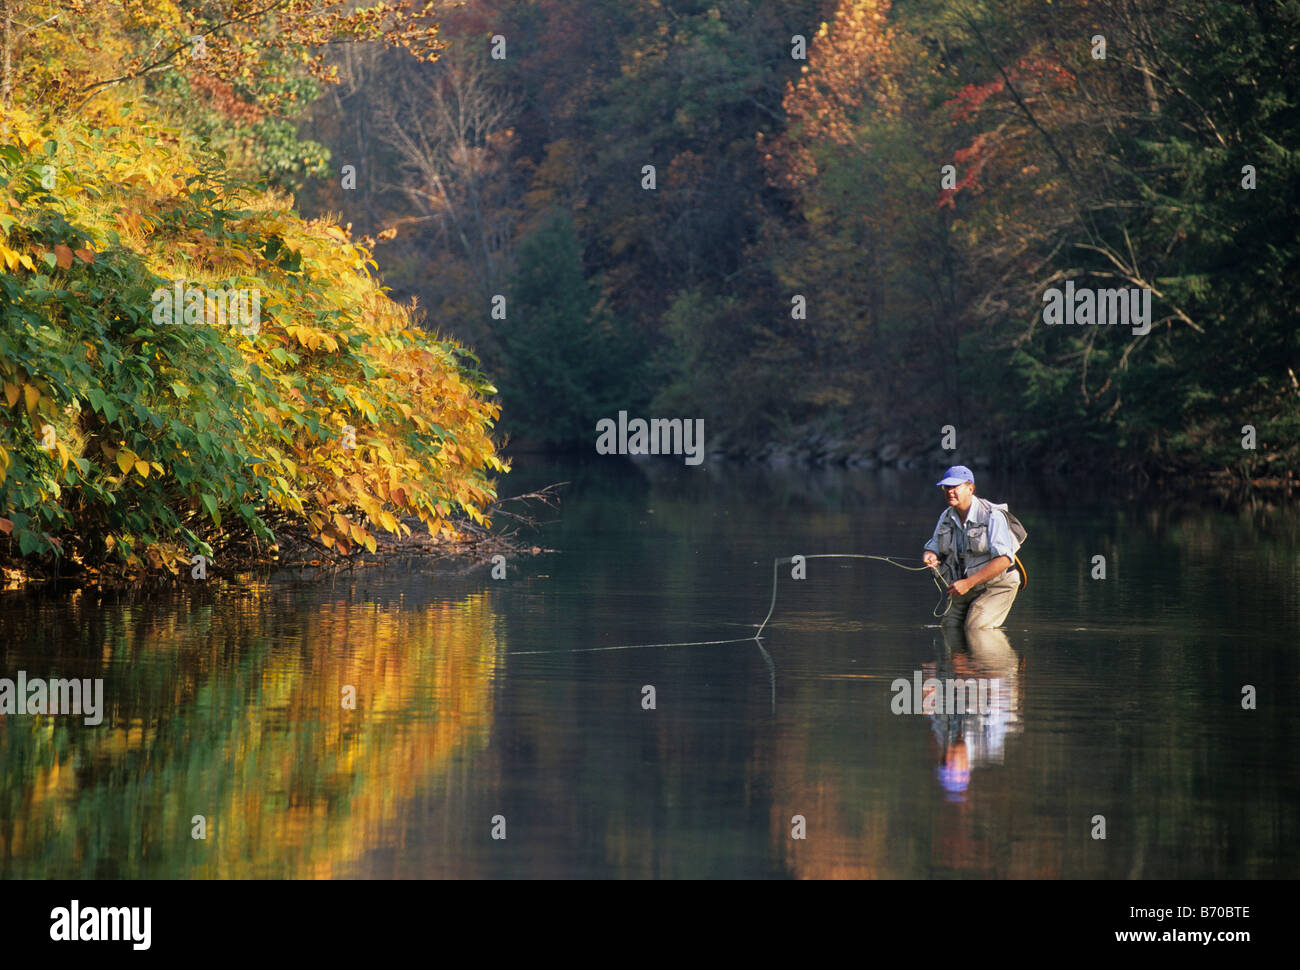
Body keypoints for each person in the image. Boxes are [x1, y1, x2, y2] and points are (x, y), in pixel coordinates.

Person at [921, 465, 1021, 632]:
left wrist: (968, 583)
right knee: (949, 628)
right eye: (946, 487)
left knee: (975, 629)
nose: (949, 491)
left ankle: (985, 659)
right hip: (964, 587)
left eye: (955, 487)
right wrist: (930, 555)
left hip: (997, 585)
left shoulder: (993, 515)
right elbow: (933, 547)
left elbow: (1004, 560)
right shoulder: (946, 516)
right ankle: (958, 658)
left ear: (970, 489)